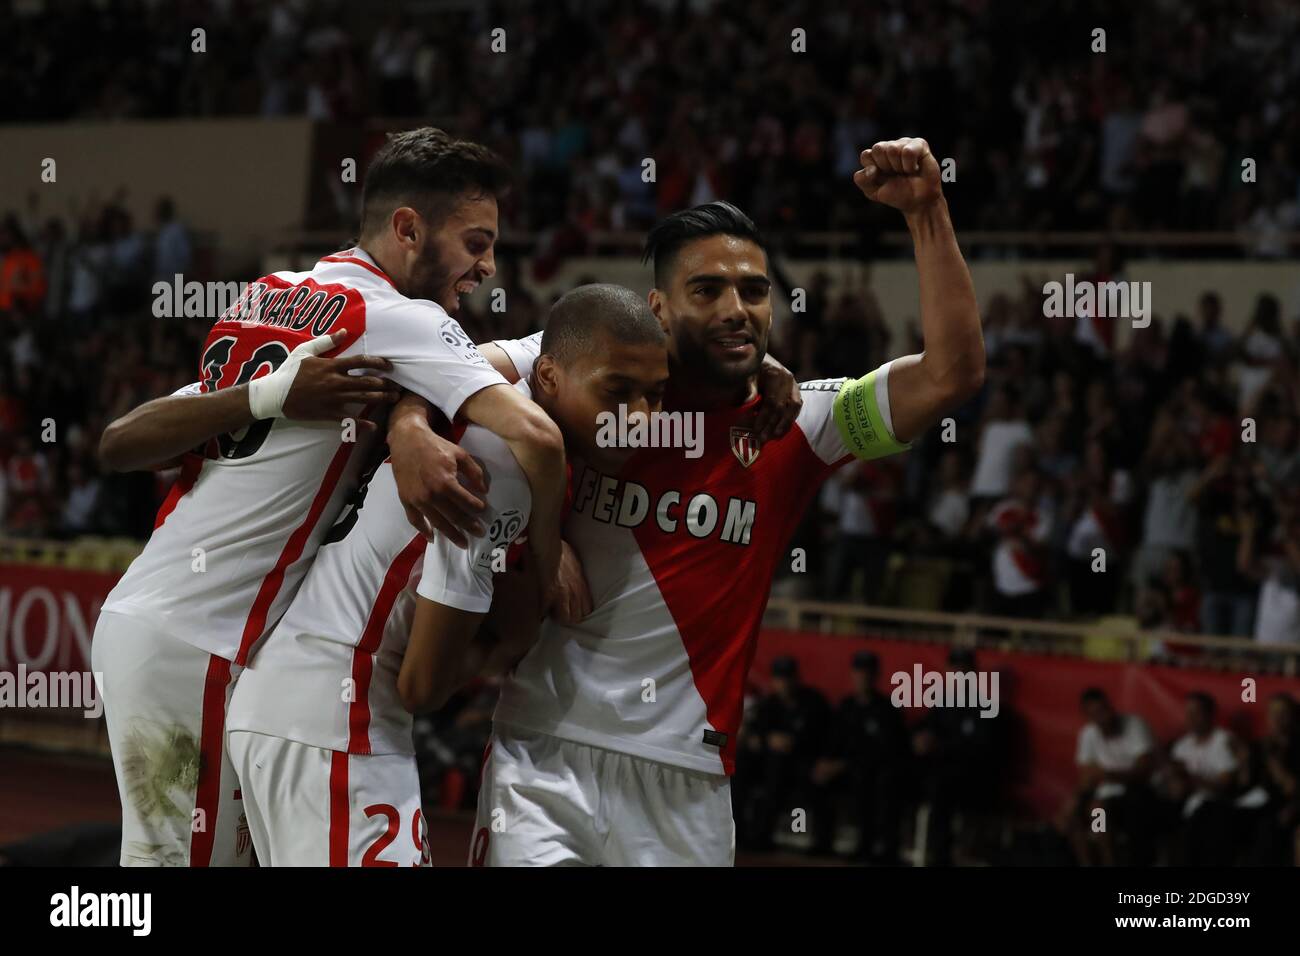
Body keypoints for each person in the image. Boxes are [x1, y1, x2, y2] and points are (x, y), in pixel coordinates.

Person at [467, 137, 984, 865]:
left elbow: (951, 374)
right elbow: (458, 371)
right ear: (657, 308)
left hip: (689, 782)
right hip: (545, 753)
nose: (735, 308)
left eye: (753, 290)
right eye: (706, 290)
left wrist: (928, 212)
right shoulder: (603, 378)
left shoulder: (804, 422)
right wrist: (536, 540)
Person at [91, 127, 568, 867]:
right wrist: (545, 555)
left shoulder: (271, 294)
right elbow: (535, 432)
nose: (488, 266)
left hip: (158, 619)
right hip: (205, 637)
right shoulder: (405, 319)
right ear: (408, 228)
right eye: (476, 243)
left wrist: (292, 401)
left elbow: (119, 442)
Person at [225, 284, 668, 865]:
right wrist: (507, 640)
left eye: (656, 397)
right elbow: (423, 687)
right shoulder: (495, 471)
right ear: (553, 378)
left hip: (291, 703)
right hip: (339, 718)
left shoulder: (523, 374)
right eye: (618, 394)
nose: (640, 418)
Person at [809, 650, 910, 862]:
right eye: (859, 672)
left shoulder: (887, 709)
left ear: (876, 675)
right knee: (815, 777)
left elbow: (886, 751)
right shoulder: (846, 706)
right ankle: (821, 841)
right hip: (843, 770)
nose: (863, 677)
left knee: (874, 783)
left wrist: (843, 765)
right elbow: (833, 740)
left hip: (872, 773)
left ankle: (871, 846)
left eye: (868, 672)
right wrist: (824, 762)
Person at [733, 657, 831, 852]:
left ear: (796, 679)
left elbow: (824, 735)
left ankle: (765, 835)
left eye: (787, 678)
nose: (784, 683)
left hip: (803, 762)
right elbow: (755, 735)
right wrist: (767, 739)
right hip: (770, 765)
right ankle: (741, 833)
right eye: (779, 678)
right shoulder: (769, 705)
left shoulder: (813, 703)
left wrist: (793, 743)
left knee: (782, 771)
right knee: (743, 766)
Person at [1062, 688, 1159, 866]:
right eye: (1096, 713)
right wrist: (1077, 798)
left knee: (1098, 811)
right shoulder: (1088, 734)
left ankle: (1109, 861)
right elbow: (1087, 775)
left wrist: (1108, 775)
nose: (1104, 716)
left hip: (1134, 793)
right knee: (1073, 816)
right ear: (1088, 717)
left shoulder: (1134, 725)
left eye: (1105, 709)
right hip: (1102, 795)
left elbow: (1144, 768)